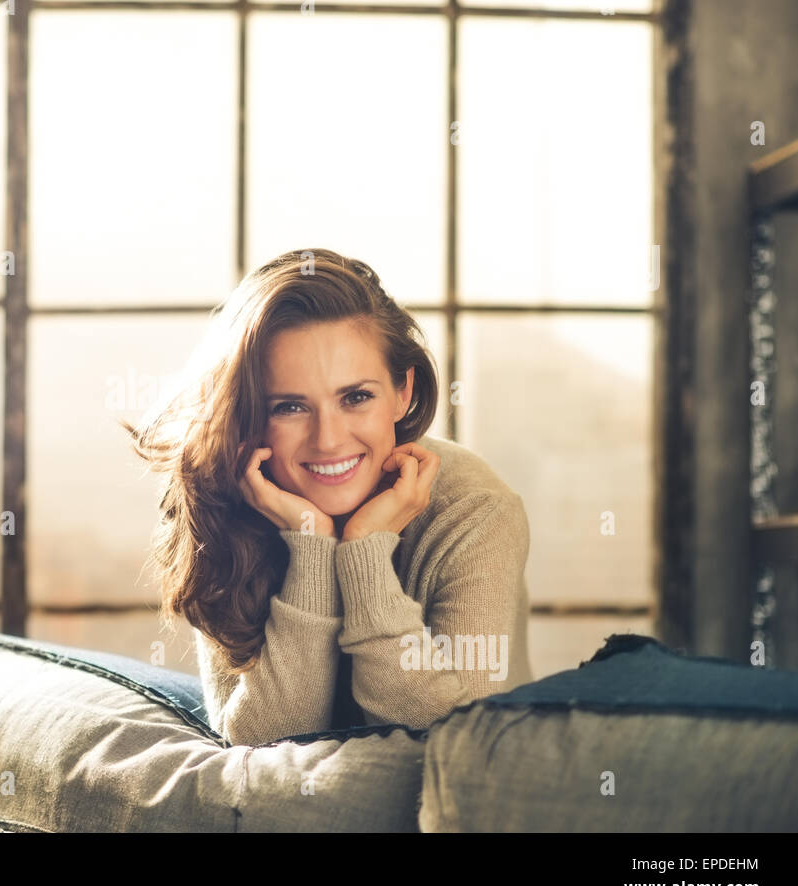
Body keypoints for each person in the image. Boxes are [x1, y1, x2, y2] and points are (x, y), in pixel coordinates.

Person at [124, 248, 534, 746]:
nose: (329, 440)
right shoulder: (225, 498)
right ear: (249, 413)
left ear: (402, 391)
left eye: (356, 397)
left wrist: (365, 549)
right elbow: (257, 746)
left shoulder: (475, 511)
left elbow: (457, 741)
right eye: (290, 406)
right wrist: (312, 548)